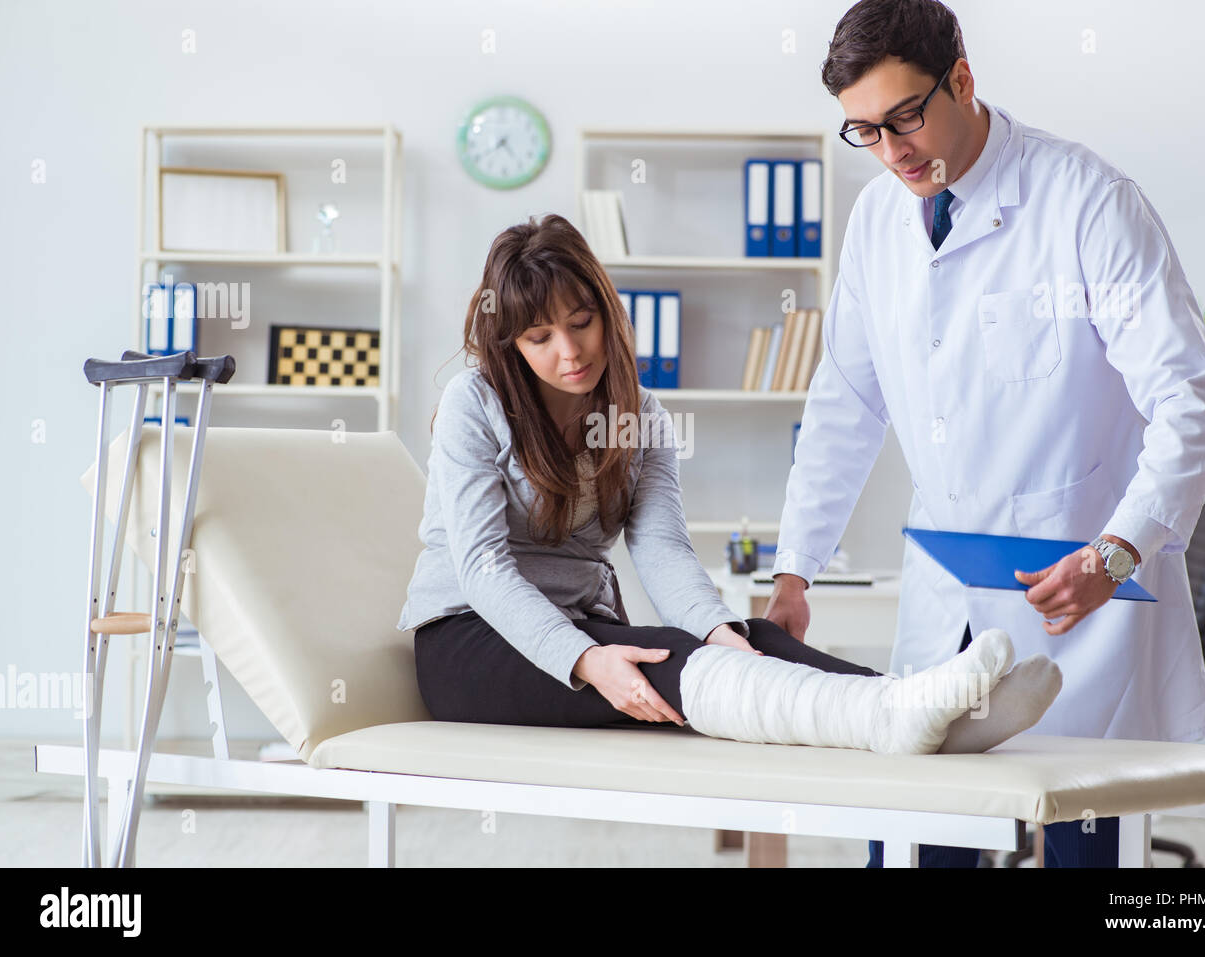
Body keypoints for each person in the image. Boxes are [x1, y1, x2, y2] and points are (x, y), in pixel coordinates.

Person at [766, 0, 1205, 867]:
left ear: (964, 79)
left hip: (1087, 613)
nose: (893, 151)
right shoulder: (877, 222)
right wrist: (796, 567)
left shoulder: (1087, 202)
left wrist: (1116, 555)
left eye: (906, 117)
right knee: (909, 853)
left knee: (1087, 861)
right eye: (863, 131)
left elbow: (1193, 401)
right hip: (944, 616)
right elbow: (846, 404)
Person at [397, 213, 1063, 768]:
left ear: (606, 311)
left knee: (742, 638)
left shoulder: (638, 412)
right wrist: (587, 658)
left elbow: (661, 547)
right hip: (470, 638)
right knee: (671, 659)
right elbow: (483, 568)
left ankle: (928, 710)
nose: (569, 350)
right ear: (511, 343)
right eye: (540, 337)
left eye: (581, 322)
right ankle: (889, 716)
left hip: (578, 625)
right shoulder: (473, 402)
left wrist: (718, 628)